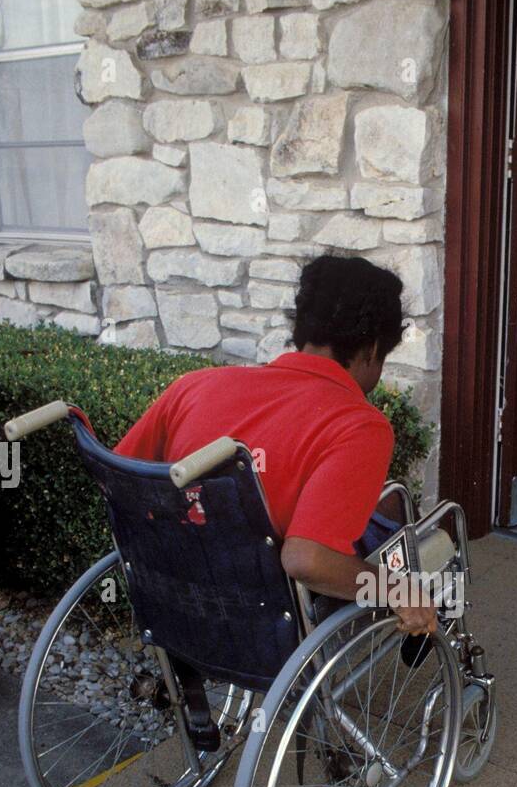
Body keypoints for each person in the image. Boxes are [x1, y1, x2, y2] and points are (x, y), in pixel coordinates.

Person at [114, 255, 437, 637]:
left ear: (303, 329)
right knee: (401, 510)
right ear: (371, 349)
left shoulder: (193, 386)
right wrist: (398, 589)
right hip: (266, 618)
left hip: (177, 603)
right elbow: (306, 559)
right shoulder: (358, 425)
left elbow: (120, 478)